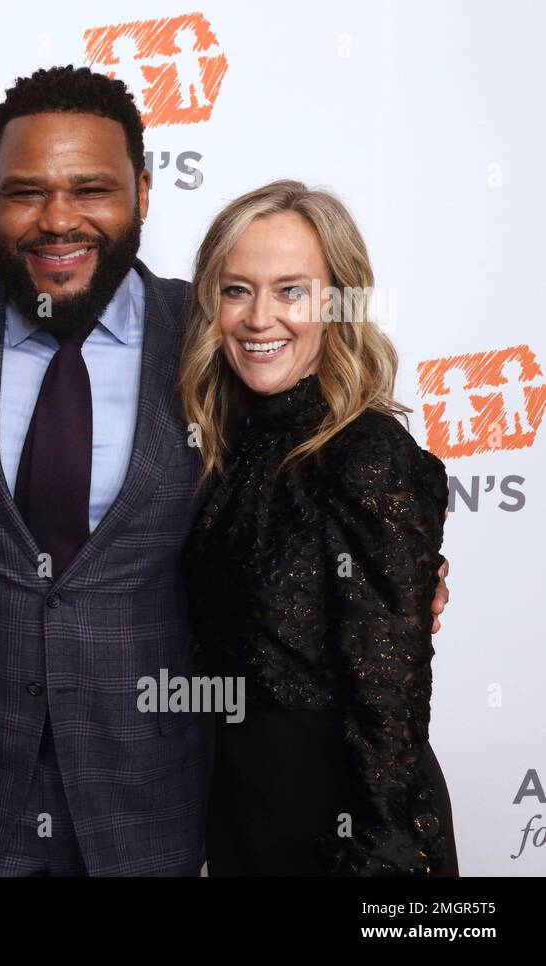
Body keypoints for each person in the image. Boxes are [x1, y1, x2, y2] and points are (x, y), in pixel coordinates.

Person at [0, 66, 449, 876]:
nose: (57, 219)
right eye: (25, 191)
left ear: (142, 189)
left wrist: (394, 577)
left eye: (91, 188)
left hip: (149, 803)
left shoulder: (215, 339)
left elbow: (303, 485)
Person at [180, 180, 458, 875]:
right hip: (243, 812)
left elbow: (388, 699)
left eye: (291, 291)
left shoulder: (368, 455)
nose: (258, 317)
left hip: (342, 829)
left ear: (339, 301)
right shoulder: (235, 443)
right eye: (237, 289)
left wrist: (382, 851)